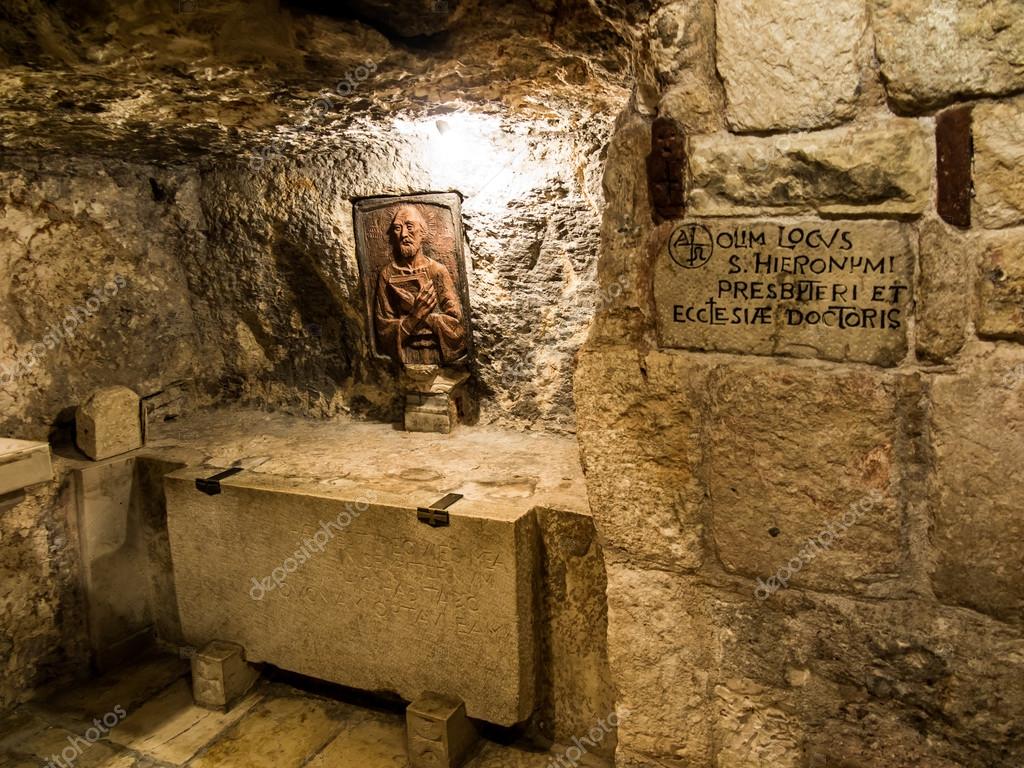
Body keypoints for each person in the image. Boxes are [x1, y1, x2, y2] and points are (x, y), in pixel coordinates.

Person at [373, 205, 466, 365]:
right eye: (397, 228)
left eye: (409, 227)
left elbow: (456, 326)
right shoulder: (387, 275)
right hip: (406, 356)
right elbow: (383, 330)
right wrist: (415, 315)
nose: (403, 234)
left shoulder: (437, 271)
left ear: (422, 232)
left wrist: (422, 314)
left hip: (435, 354)